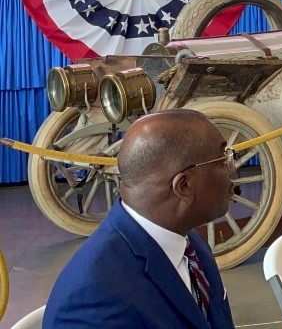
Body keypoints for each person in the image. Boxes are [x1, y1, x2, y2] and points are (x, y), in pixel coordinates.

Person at [44, 109, 237, 328]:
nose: (233, 168)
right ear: (183, 186)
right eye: (223, 160)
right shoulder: (96, 300)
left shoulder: (189, 245)